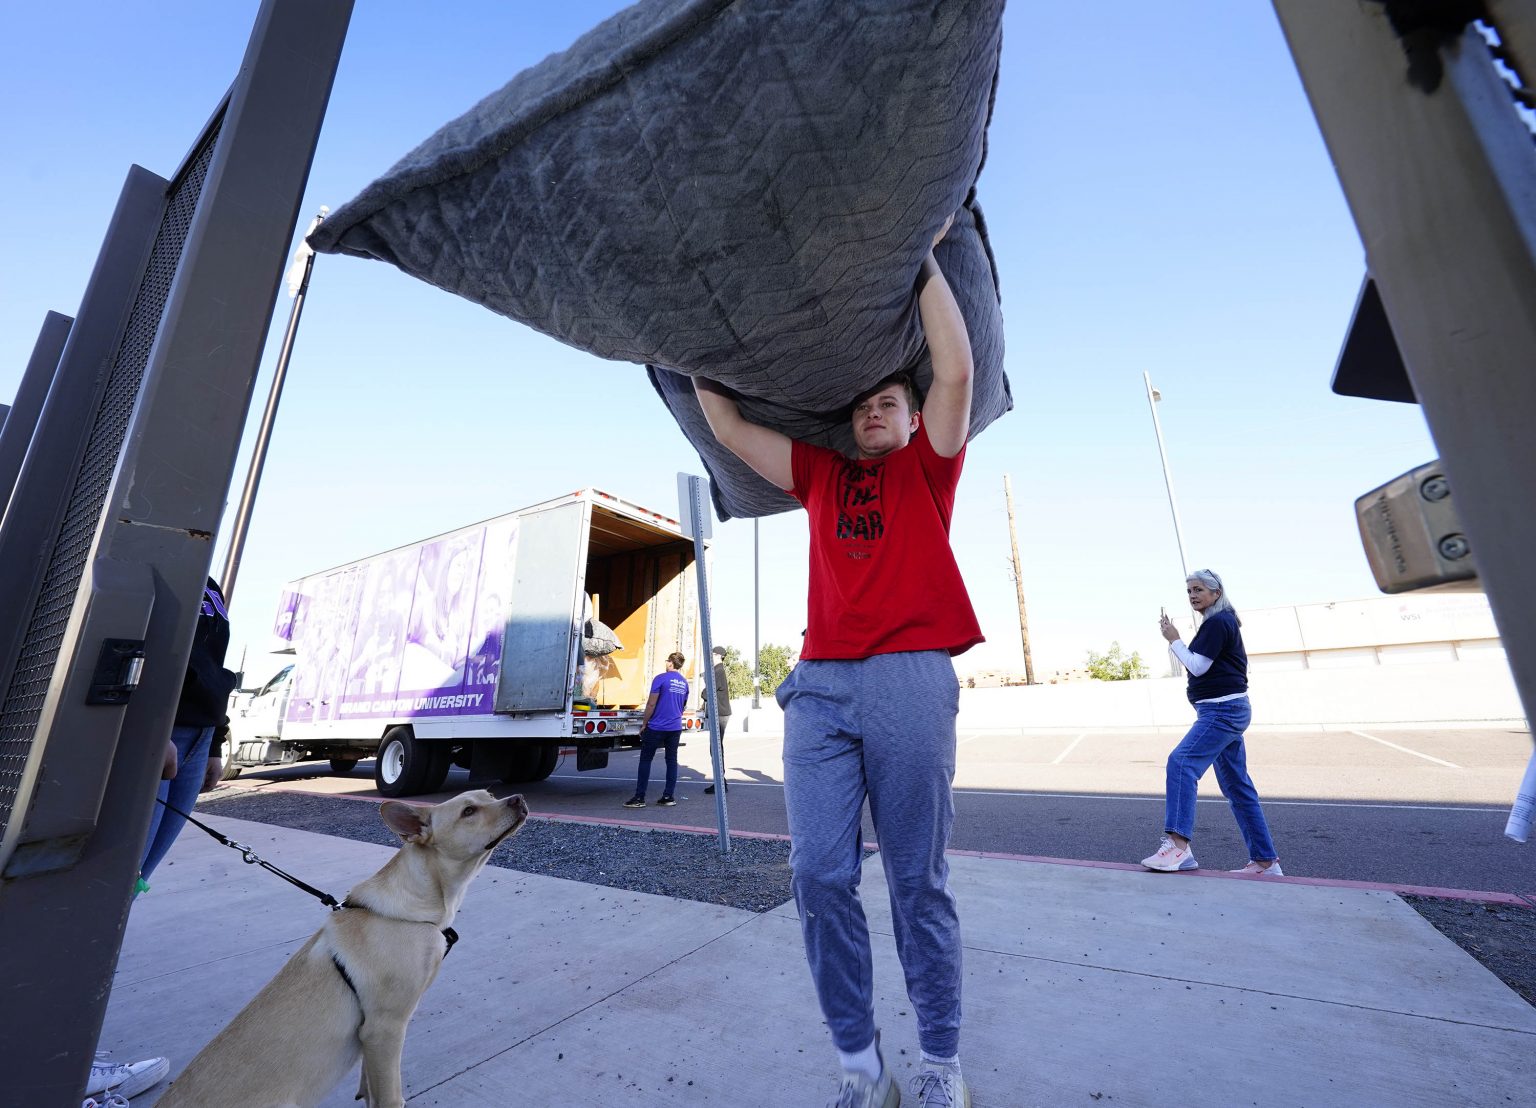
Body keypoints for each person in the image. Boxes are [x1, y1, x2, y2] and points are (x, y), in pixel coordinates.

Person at [692, 215, 980, 1108]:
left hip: (907, 676)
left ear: (913, 414)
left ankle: (939, 1064)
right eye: (865, 406)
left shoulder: (930, 467)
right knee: (817, 875)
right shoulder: (822, 475)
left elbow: (958, 368)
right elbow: (734, 431)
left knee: (916, 884)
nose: (873, 411)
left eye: (889, 402)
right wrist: (688, 343)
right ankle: (862, 1064)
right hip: (818, 686)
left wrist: (921, 252)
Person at [86, 577, 239, 1105]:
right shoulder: (154, 535)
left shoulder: (209, 578)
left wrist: (215, 739)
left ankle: (69, 1047)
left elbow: (205, 659)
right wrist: (149, 726)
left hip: (191, 739)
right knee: (97, 896)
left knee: (126, 893)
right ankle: (54, 1060)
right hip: (154, 732)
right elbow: (115, 633)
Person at [1142, 569, 1283, 876]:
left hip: (1222, 711)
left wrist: (1173, 640)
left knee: (1181, 763)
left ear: (1216, 593)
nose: (1193, 595)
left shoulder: (1219, 622)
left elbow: (1198, 666)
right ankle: (1265, 862)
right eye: (1189, 591)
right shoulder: (1218, 622)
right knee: (1237, 787)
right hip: (1224, 710)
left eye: (1198, 590)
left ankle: (1177, 847)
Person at [624, 652, 689, 809]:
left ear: (670, 663)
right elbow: (683, 705)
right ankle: (668, 796)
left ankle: (639, 797)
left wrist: (644, 724)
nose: (666, 663)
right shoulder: (684, 683)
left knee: (646, 760)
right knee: (671, 760)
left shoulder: (660, 678)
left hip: (657, 726)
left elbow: (651, 704)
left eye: (667, 661)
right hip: (675, 727)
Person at [703, 644, 732, 794]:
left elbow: (708, 693)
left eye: (712, 654)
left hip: (719, 714)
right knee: (716, 748)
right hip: (721, 713)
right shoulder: (717, 671)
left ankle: (720, 784)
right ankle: (721, 782)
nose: (710, 656)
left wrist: (703, 692)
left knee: (715, 749)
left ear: (718, 656)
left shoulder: (718, 671)